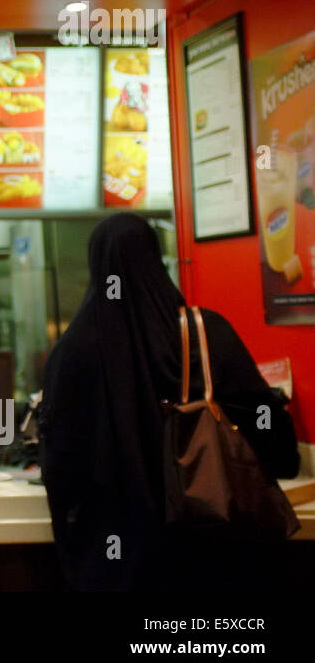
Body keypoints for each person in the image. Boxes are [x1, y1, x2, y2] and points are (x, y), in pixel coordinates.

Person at [40, 213, 299, 592]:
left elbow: (60, 463)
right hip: (208, 552)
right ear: (156, 258)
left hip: (115, 559)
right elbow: (267, 425)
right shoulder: (205, 332)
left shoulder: (71, 351)